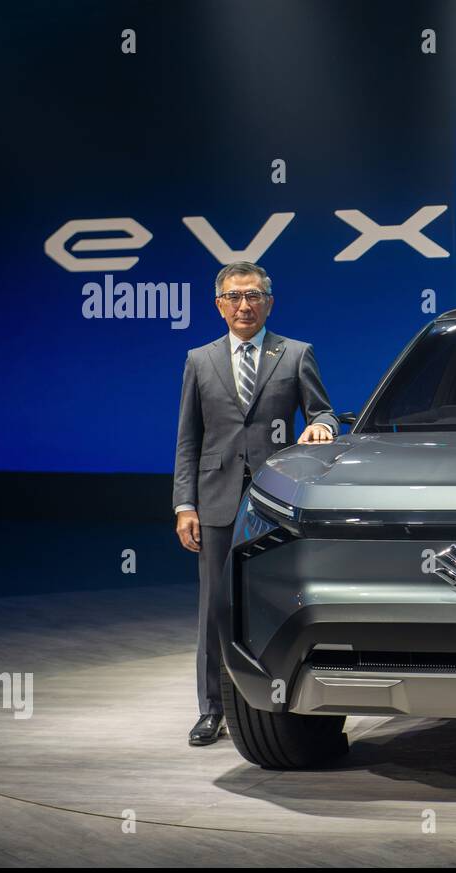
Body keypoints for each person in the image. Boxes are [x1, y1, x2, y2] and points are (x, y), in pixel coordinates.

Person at [172, 262, 338, 746]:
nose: (244, 305)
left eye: (253, 296)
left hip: (275, 502)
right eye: (234, 297)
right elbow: (188, 440)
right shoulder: (199, 361)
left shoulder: (296, 354)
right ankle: (212, 709)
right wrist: (185, 504)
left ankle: (278, 699)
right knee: (213, 606)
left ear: (269, 301)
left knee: (274, 600)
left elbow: (322, 409)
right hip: (217, 501)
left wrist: (324, 427)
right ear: (219, 305)